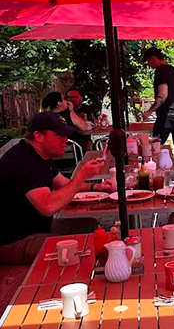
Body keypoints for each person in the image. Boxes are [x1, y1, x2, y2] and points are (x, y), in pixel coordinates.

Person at [0, 112, 106, 264]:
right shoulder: (23, 161)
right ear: (38, 136)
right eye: (59, 135)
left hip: (36, 230)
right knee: (80, 246)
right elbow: (48, 206)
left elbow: (64, 184)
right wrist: (82, 175)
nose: (65, 140)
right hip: (13, 242)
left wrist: (96, 186)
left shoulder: (39, 155)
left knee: (91, 226)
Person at [142, 47, 174, 175]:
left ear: (153, 58)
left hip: (168, 114)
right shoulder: (172, 69)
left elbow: (162, 94)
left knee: (155, 146)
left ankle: (154, 175)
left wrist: (149, 111)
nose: (148, 65)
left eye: (148, 61)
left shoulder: (160, 71)